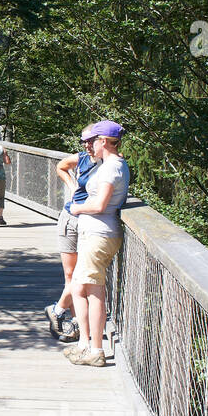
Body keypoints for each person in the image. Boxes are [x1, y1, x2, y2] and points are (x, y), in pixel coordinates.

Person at [64, 121, 130, 367]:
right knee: (80, 289)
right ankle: (85, 344)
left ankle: (96, 349)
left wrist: (77, 207)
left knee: (93, 291)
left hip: (99, 234)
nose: (88, 145)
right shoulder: (109, 165)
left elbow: (100, 205)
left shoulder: (111, 167)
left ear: (104, 141)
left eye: (92, 140)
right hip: (94, 233)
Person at [45, 126, 100, 342]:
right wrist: (71, 185)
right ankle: (75, 323)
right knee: (71, 276)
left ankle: (58, 311)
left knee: (81, 276)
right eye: (84, 140)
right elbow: (61, 166)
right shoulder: (82, 158)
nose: (87, 145)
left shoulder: (110, 162)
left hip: (91, 223)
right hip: (70, 219)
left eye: (91, 140)